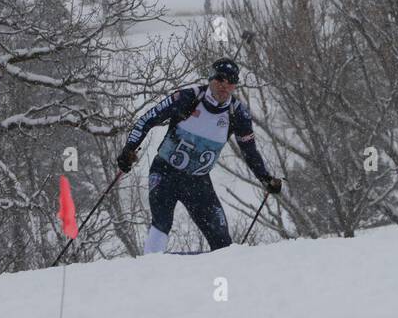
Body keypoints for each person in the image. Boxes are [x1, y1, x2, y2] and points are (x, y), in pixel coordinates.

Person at [116, 59, 281, 253]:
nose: (224, 85)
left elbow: (250, 151)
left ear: (235, 85)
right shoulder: (188, 97)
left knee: (222, 243)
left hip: (197, 181)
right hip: (165, 173)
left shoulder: (237, 113)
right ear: (211, 78)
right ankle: (148, 268)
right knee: (161, 223)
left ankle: (212, 273)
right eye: (220, 79)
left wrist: (265, 178)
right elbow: (147, 119)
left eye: (231, 81)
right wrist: (129, 149)